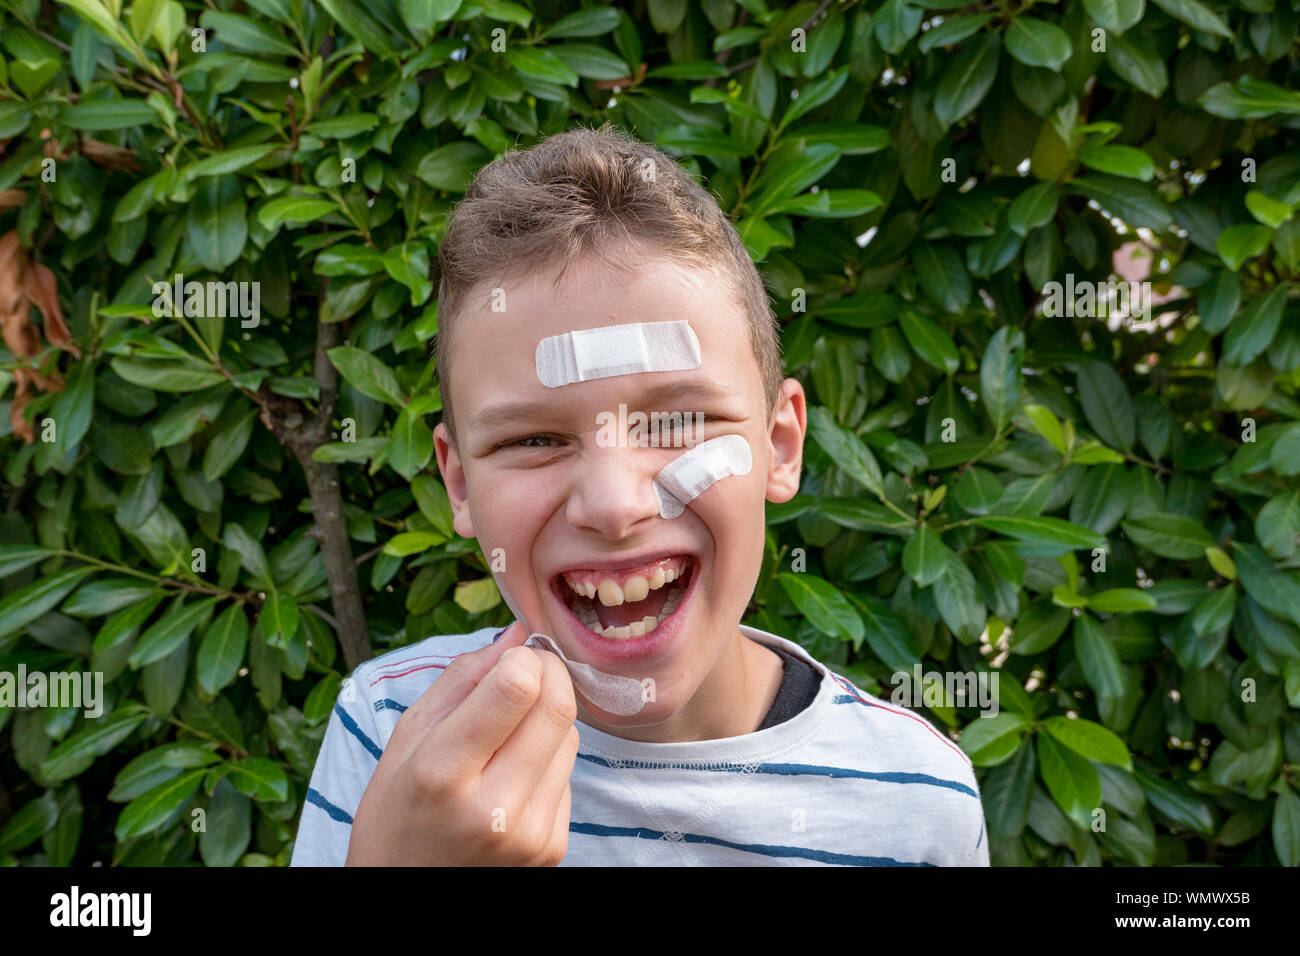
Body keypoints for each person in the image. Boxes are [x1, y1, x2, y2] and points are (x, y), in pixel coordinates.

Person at [291, 123, 989, 866]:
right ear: (459, 482)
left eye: (679, 421)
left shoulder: (918, 800)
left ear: (779, 446)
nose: (616, 505)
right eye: (534, 440)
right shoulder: (393, 731)